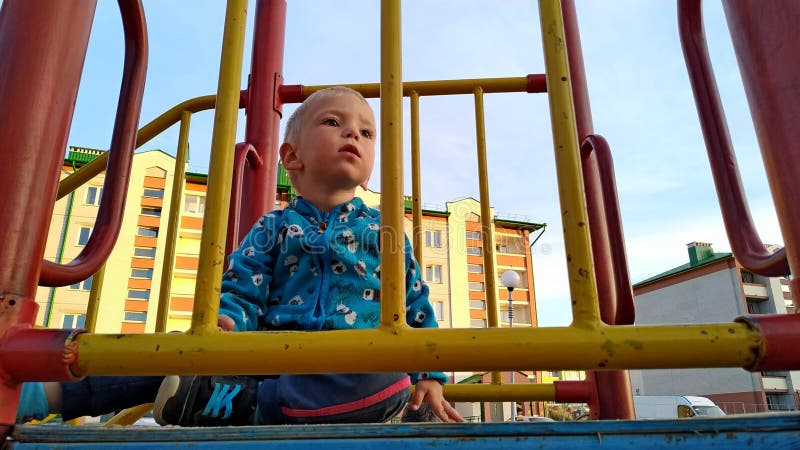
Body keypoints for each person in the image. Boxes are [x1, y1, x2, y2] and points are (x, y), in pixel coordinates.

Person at [16, 86, 463, 426]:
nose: (353, 134)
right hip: (269, 361)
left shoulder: (383, 231)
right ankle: (42, 394)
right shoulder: (273, 227)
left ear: (369, 168)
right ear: (292, 156)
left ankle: (241, 406)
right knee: (166, 354)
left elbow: (414, 305)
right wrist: (228, 321)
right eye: (333, 122)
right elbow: (243, 287)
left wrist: (430, 375)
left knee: (388, 381)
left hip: (348, 369)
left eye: (366, 132)